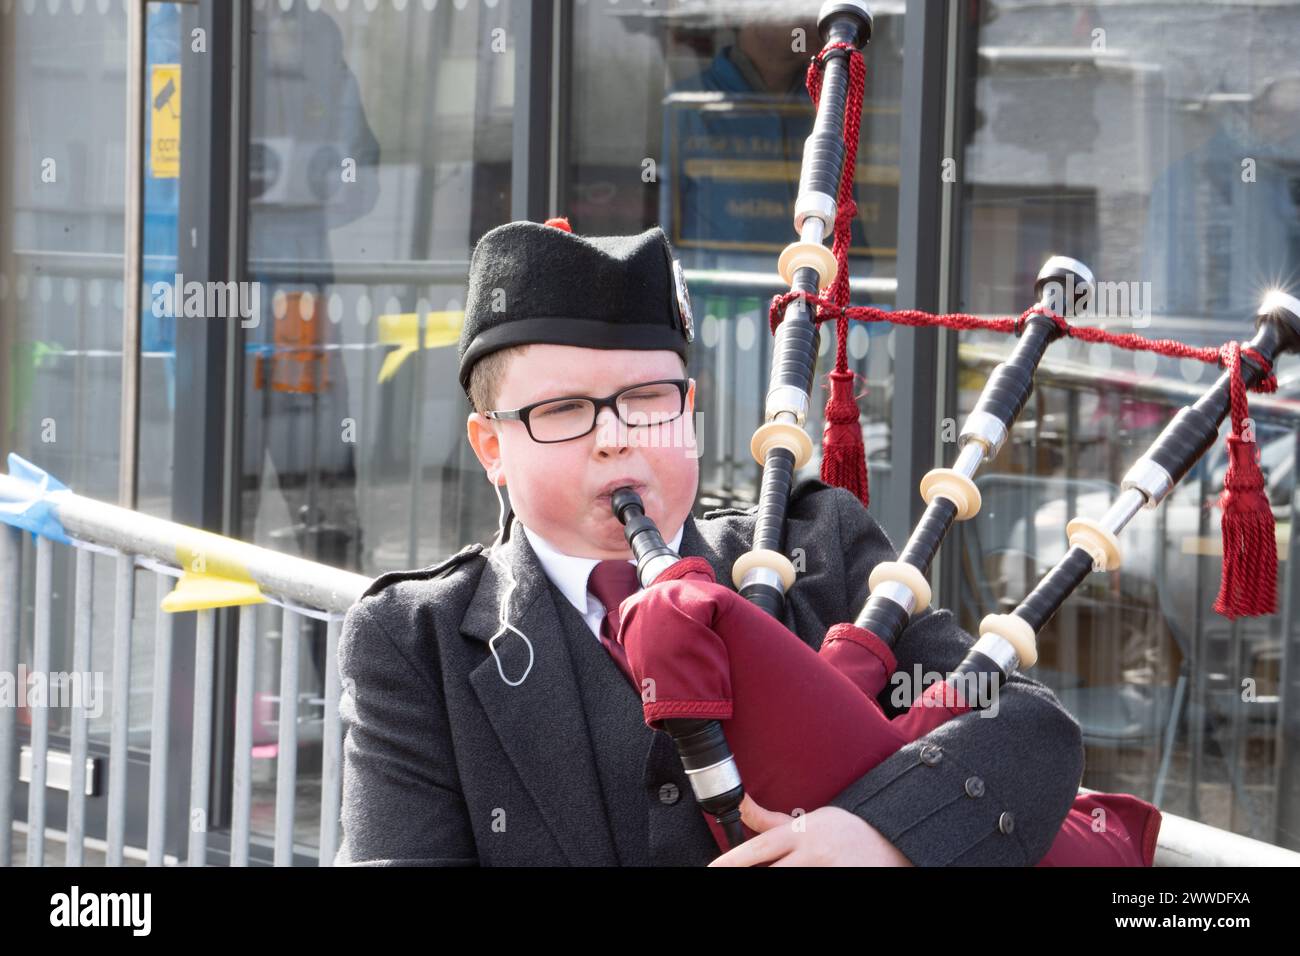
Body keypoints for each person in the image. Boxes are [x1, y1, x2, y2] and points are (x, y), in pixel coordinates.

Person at [333, 218, 1085, 866]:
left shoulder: (815, 550)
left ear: (688, 409)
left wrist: (880, 836)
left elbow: (1022, 724)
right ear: (490, 446)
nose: (616, 439)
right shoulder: (417, 641)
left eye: (646, 400)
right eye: (563, 410)